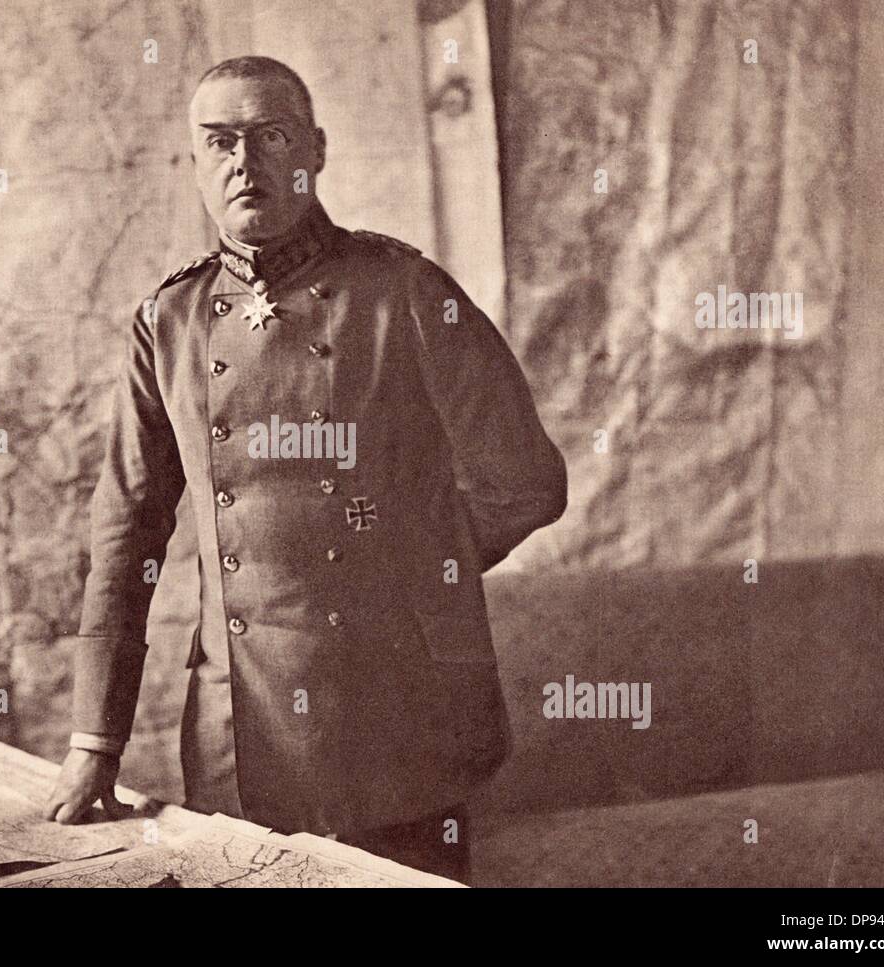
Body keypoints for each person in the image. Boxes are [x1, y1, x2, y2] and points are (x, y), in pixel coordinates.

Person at [43, 55, 567, 885]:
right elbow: (128, 529)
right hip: (237, 726)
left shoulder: (402, 291)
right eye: (219, 143)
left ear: (314, 151)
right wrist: (93, 743)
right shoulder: (168, 320)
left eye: (270, 135)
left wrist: (403, 565)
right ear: (194, 164)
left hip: (400, 721)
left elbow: (528, 482)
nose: (243, 163)